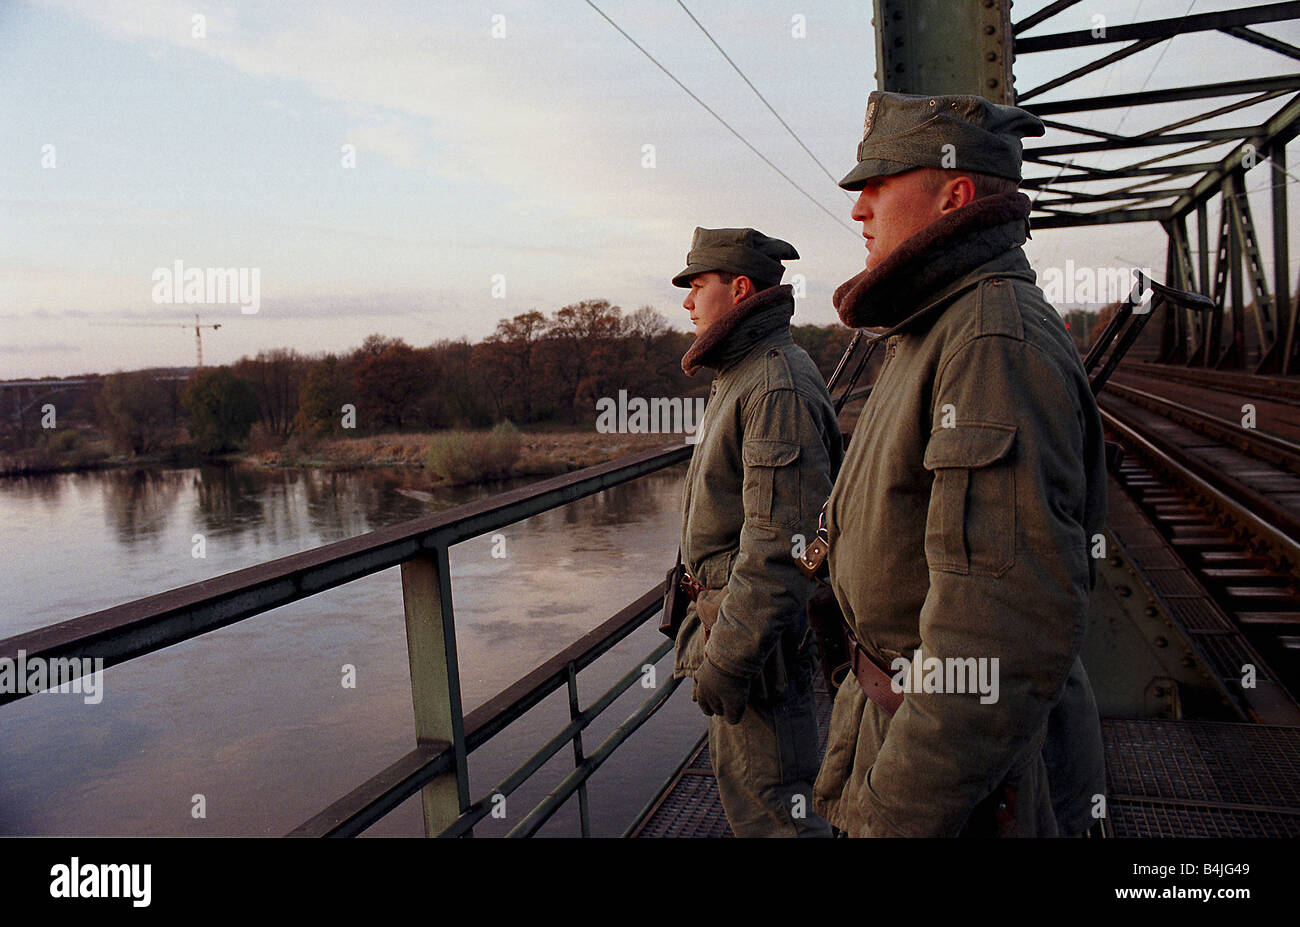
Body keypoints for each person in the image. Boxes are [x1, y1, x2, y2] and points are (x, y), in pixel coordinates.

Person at [812, 91, 1107, 837]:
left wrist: (891, 817)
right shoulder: (936, 326)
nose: (859, 209)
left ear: (954, 194)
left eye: (878, 184)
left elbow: (996, 636)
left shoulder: (987, 343)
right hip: (908, 732)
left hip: (953, 784)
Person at [670, 226, 842, 837]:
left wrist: (730, 660)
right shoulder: (743, 373)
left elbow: (780, 548)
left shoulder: (771, 384)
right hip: (739, 629)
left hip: (756, 644)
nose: (687, 301)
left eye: (697, 285)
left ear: (739, 289)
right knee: (758, 802)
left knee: (777, 814)